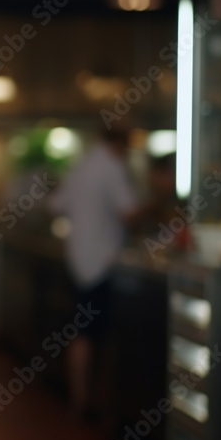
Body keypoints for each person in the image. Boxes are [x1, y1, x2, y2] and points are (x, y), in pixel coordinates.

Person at [49, 125, 141, 420]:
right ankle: (89, 402)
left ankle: (80, 398)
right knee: (92, 334)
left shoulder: (82, 165)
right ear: (121, 145)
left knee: (81, 330)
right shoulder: (111, 167)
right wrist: (158, 205)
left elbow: (55, 205)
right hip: (100, 263)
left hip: (78, 260)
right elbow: (128, 212)